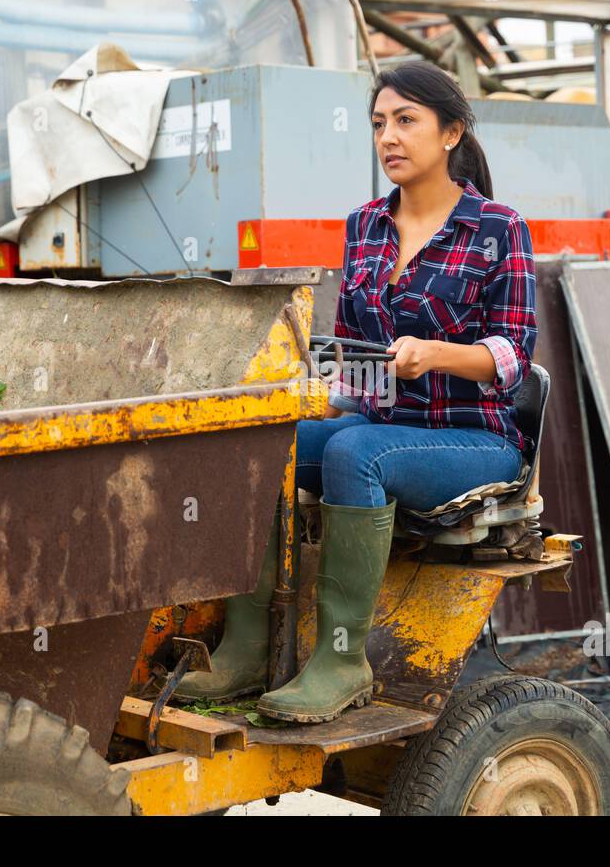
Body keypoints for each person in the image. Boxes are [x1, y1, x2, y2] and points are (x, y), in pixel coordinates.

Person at [175, 61, 538, 723]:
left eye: (406, 121)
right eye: (378, 125)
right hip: (380, 426)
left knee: (355, 453)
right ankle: (246, 650)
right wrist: (316, 404)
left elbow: (514, 358)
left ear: (451, 131)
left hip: (473, 441)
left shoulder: (497, 229)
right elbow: (353, 358)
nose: (389, 138)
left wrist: (436, 356)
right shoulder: (364, 226)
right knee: (261, 444)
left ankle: (342, 661)